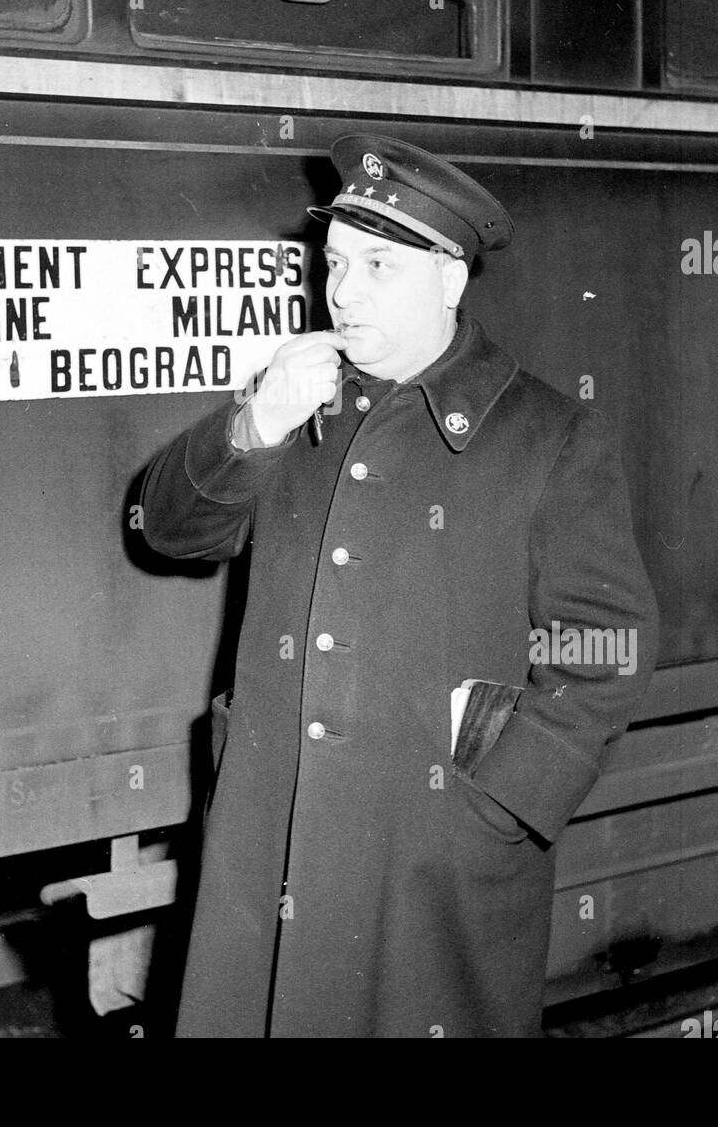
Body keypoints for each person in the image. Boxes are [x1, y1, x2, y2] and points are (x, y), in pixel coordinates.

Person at [140, 135, 659, 1037]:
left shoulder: (546, 435)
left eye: (379, 265)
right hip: (273, 836)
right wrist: (252, 423)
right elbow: (170, 530)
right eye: (336, 262)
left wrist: (496, 802)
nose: (342, 291)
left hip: (429, 861)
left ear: (450, 281)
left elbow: (604, 648)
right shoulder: (301, 405)